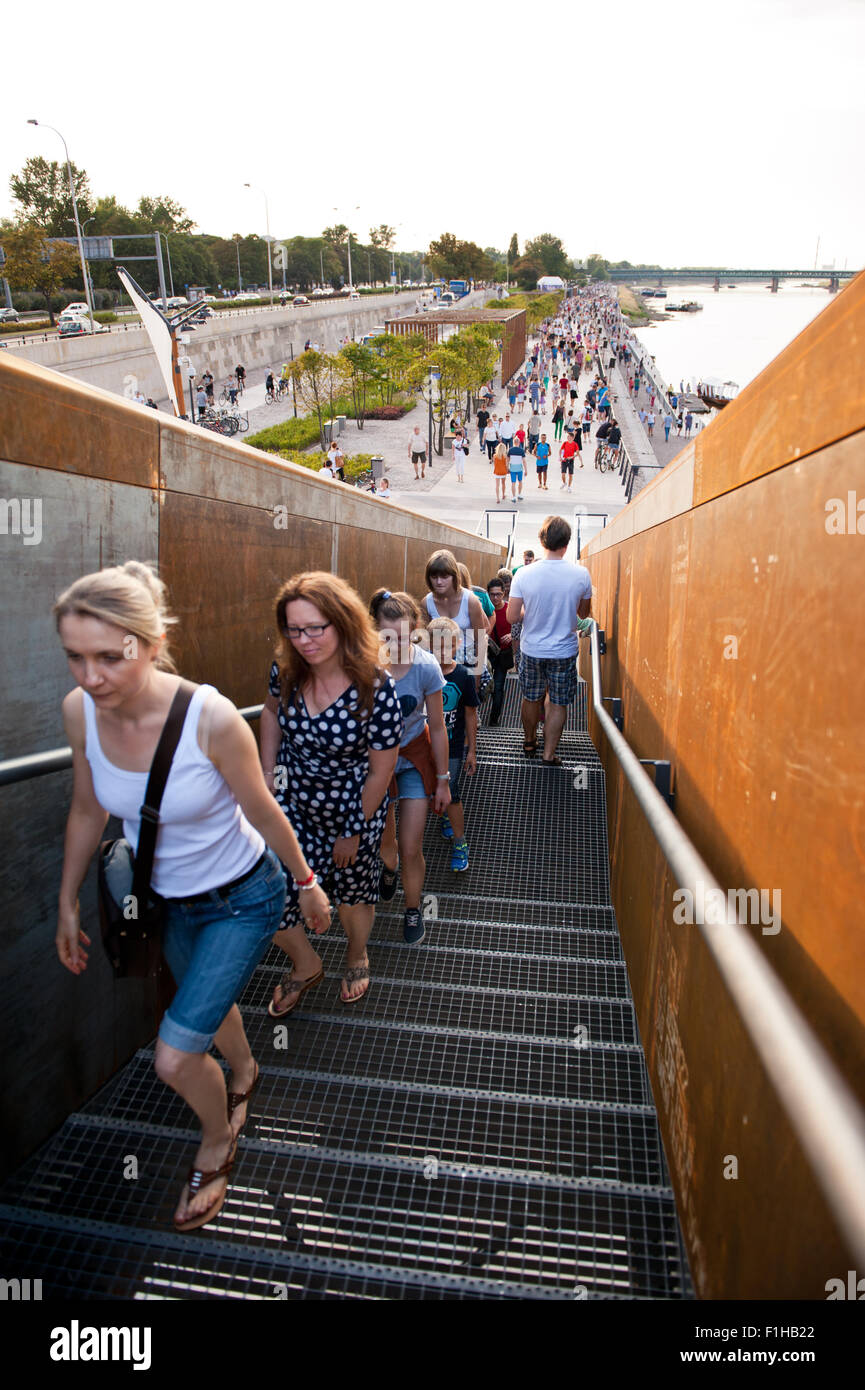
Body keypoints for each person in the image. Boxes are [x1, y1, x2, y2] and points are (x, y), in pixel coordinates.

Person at [54, 561, 331, 1233]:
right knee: (211, 1009)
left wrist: (306, 883)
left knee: (175, 1055)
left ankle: (216, 1142)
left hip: (243, 896)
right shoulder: (78, 713)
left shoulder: (207, 717)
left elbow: (263, 812)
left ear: (149, 645)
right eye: (74, 658)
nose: (89, 678)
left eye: (107, 657)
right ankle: (243, 1072)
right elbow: (89, 809)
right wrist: (64, 901)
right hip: (165, 900)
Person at [262, 573, 401, 1013]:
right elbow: (269, 712)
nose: (304, 640)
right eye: (294, 629)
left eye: (315, 628)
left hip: (354, 805)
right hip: (294, 802)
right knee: (273, 893)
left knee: (352, 895)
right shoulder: (285, 670)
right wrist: (267, 772)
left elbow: (382, 771)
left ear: (342, 623)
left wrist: (352, 830)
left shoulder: (376, 688)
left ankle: (357, 953)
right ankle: (306, 963)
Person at [371, 590, 451, 944]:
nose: (396, 644)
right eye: (388, 636)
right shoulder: (366, 665)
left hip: (414, 758)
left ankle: (413, 906)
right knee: (385, 844)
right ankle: (388, 870)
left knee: (410, 845)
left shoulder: (425, 666)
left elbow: (437, 725)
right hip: (377, 762)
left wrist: (444, 779)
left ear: (416, 630)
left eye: (404, 637)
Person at [507, 515, 593, 766]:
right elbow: (584, 614)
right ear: (566, 545)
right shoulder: (581, 574)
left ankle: (529, 741)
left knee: (531, 697)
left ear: (542, 541)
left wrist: (530, 611)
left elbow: (513, 616)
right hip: (563, 651)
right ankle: (548, 753)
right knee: (557, 702)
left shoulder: (524, 573)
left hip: (532, 649)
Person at [427, 617, 478, 872]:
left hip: (454, 748)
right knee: (432, 788)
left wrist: (472, 751)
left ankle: (460, 843)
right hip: (425, 745)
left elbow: (470, 714)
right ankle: (444, 813)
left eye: (448, 646)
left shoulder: (464, 676)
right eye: (437, 647)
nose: (442, 653)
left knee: (452, 792)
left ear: (457, 645)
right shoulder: (425, 672)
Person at [422, 548, 487, 678]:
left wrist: (477, 677)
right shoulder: (426, 602)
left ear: (454, 576)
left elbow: (480, 640)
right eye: (434, 577)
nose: (439, 582)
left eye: (444, 577)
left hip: (467, 663)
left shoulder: (470, 601)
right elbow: (424, 642)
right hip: (439, 665)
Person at [485, 577, 513, 726]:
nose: (495, 598)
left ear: (504, 593)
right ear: (488, 595)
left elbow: (522, 626)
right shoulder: (483, 610)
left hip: (502, 655)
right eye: (492, 594)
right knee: (483, 686)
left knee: (499, 687)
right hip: (486, 654)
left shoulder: (510, 608)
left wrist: (512, 635)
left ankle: (493, 721)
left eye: (498, 594)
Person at [508, 436, 526, 501]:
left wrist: (507, 468)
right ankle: (519, 494)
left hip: (512, 468)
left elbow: (508, 460)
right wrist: (526, 470)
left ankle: (514, 497)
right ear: (519, 443)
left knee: (513, 483)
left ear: (513, 442)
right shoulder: (521, 451)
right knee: (520, 481)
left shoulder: (510, 450)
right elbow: (524, 461)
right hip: (519, 469)